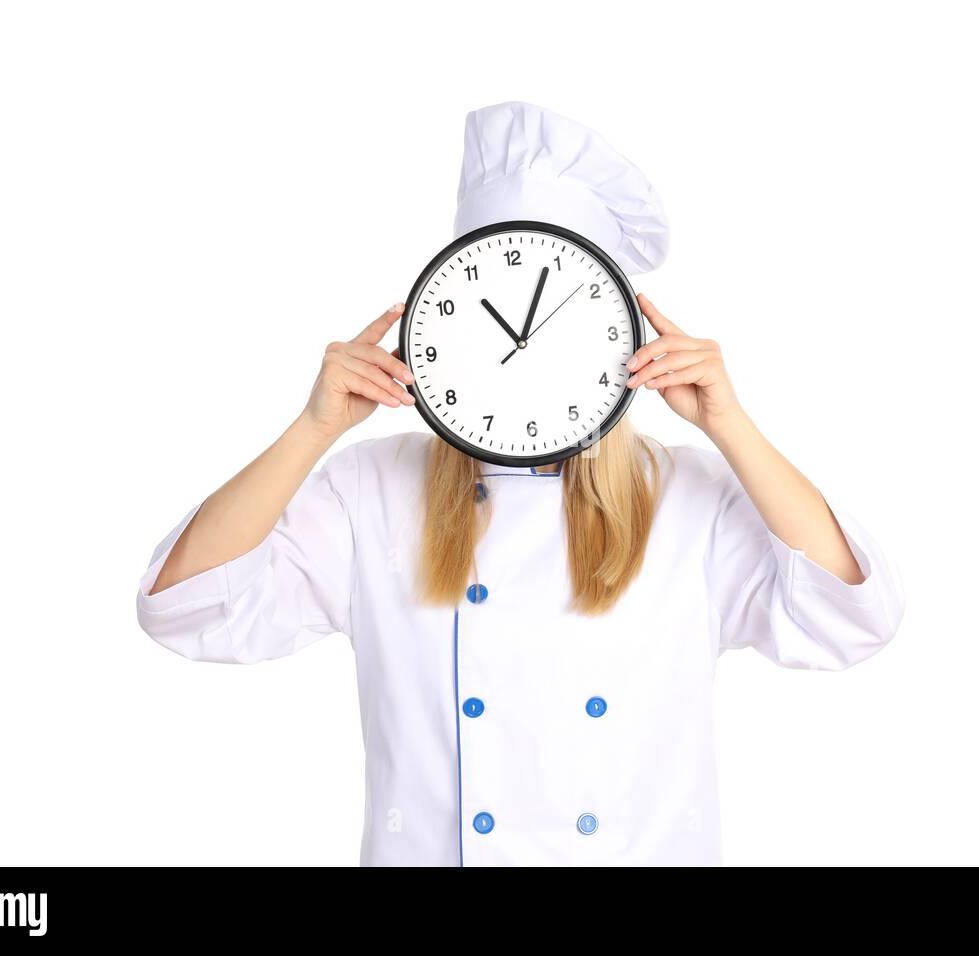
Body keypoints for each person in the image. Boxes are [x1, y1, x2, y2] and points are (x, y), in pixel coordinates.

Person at [136, 101, 906, 866]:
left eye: (554, 309)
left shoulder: (685, 495)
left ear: (612, 331)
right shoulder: (371, 487)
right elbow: (185, 604)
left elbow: (850, 617)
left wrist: (732, 426)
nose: (520, 348)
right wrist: (313, 429)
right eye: (485, 309)